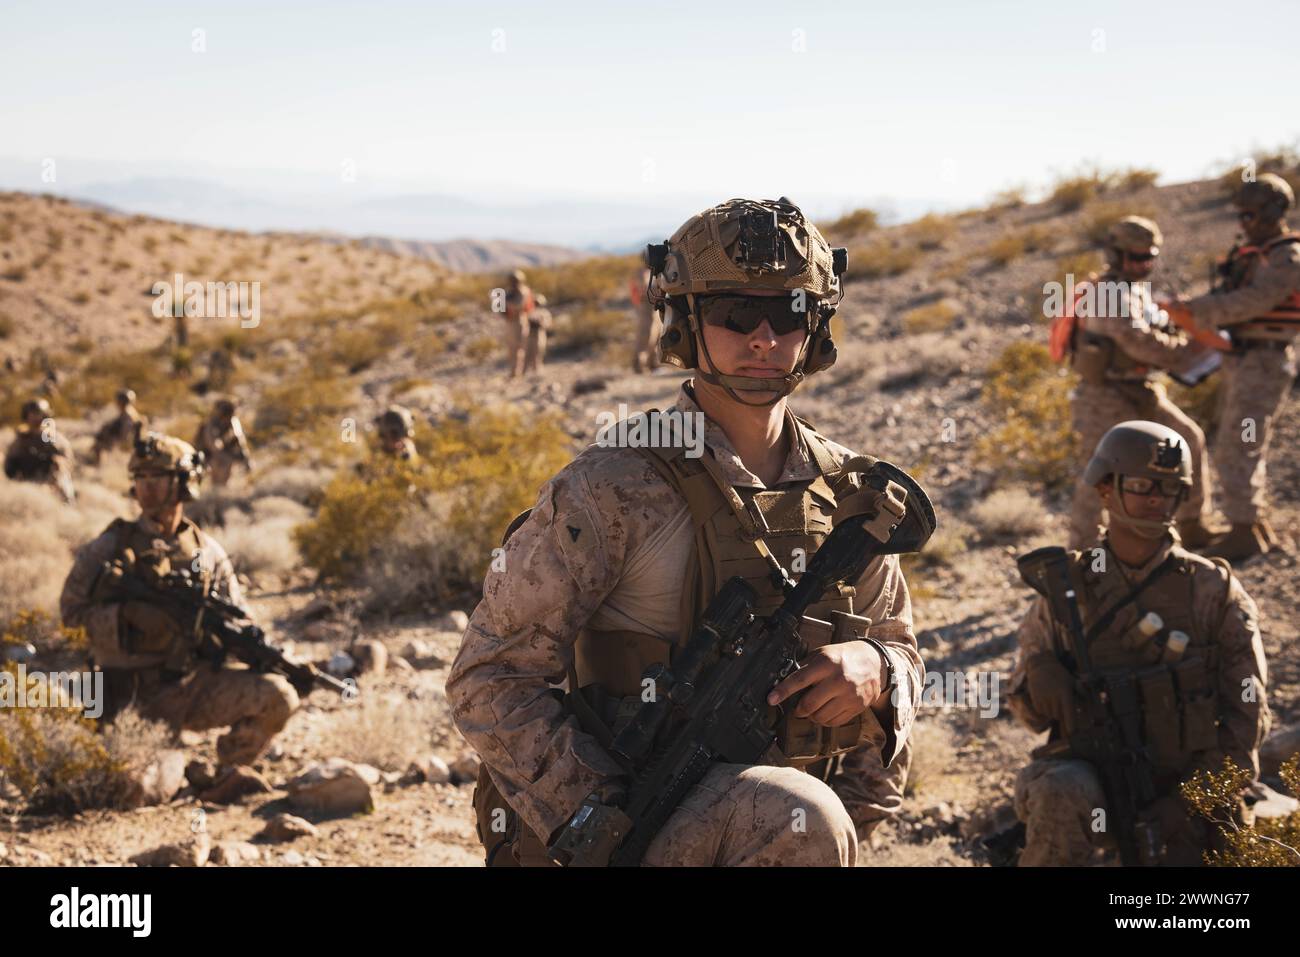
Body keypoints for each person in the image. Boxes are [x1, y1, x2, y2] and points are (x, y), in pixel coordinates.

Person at [447, 197, 924, 867]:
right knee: (800, 817)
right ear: (684, 321)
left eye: (787, 312)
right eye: (734, 312)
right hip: (620, 832)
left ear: (815, 326)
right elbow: (487, 676)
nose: (762, 337)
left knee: (803, 815)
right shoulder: (616, 485)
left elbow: (903, 648)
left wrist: (878, 667)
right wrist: (597, 819)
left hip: (788, 831)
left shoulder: (852, 497)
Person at [1008, 420, 1269, 866]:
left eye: (1169, 489)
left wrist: (1186, 804)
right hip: (1098, 786)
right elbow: (1029, 715)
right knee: (1059, 789)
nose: (1156, 499)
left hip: (1193, 789)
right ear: (1106, 488)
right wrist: (1039, 676)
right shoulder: (1066, 589)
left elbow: (1247, 724)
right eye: (1144, 485)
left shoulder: (1214, 590)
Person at [60, 432, 299, 801]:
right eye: (140, 479)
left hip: (192, 688)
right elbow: (70, 615)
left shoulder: (207, 552)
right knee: (135, 792)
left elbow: (239, 618)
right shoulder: (109, 547)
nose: (147, 487)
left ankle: (224, 774)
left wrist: (244, 646)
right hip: (129, 696)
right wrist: (125, 618)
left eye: (157, 478)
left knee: (279, 697)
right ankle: (163, 764)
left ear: (184, 483)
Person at [1164, 173, 1300, 561]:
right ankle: (1251, 524)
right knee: (1236, 440)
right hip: (1242, 360)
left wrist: (1198, 311)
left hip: (1264, 363)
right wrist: (1186, 308)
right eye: (1241, 215)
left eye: (1252, 215)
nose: (1245, 223)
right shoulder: (1253, 255)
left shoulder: (1286, 257)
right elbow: (1229, 296)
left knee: (1241, 443)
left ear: (1274, 213)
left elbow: (1257, 300)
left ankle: (1244, 532)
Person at [1062, 217, 1217, 550]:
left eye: (1149, 257)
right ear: (1116, 255)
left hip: (1140, 390)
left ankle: (1191, 526)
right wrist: (1193, 348)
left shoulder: (1133, 291)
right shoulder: (1107, 293)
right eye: (1136, 258)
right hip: (1104, 397)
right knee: (1098, 473)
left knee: (1188, 439)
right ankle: (1081, 554)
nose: (1143, 265)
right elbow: (1139, 343)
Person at [4, 397, 75, 503]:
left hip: (51, 481)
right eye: (31, 414)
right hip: (28, 481)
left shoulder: (53, 437)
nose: (34, 418)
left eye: (38, 414)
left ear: (45, 416)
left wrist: (57, 463)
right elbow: (10, 464)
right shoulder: (21, 439)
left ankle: (67, 504)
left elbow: (66, 460)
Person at [193, 397, 253, 487]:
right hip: (205, 454)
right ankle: (216, 489)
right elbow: (213, 446)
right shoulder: (210, 424)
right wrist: (227, 457)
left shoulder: (233, 421)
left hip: (221, 451)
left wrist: (246, 459)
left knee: (227, 460)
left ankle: (222, 488)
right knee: (222, 462)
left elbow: (240, 441)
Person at [91, 388, 144, 465]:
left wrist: (112, 441)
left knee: (98, 447)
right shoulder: (129, 413)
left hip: (121, 446)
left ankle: (100, 467)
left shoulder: (128, 415)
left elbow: (125, 435)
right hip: (121, 444)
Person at [502, 269, 535, 379]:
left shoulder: (523, 291)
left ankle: (520, 371)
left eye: (514, 280)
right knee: (511, 348)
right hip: (510, 322)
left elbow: (518, 306)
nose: (513, 282)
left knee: (520, 348)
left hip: (520, 321)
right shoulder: (508, 292)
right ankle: (513, 371)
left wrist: (506, 302)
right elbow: (501, 309)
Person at [630, 265, 660, 373]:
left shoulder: (653, 272)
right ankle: (639, 365)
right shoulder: (642, 273)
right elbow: (643, 289)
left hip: (654, 308)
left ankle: (653, 364)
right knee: (645, 336)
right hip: (646, 308)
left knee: (656, 335)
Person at [524, 294, 552, 375]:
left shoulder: (545, 313)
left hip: (539, 334)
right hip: (529, 335)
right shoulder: (530, 311)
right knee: (527, 354)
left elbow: (547, 324)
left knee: (538, 353)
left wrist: (539, 323)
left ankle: (537, 371)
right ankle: (524, 372)